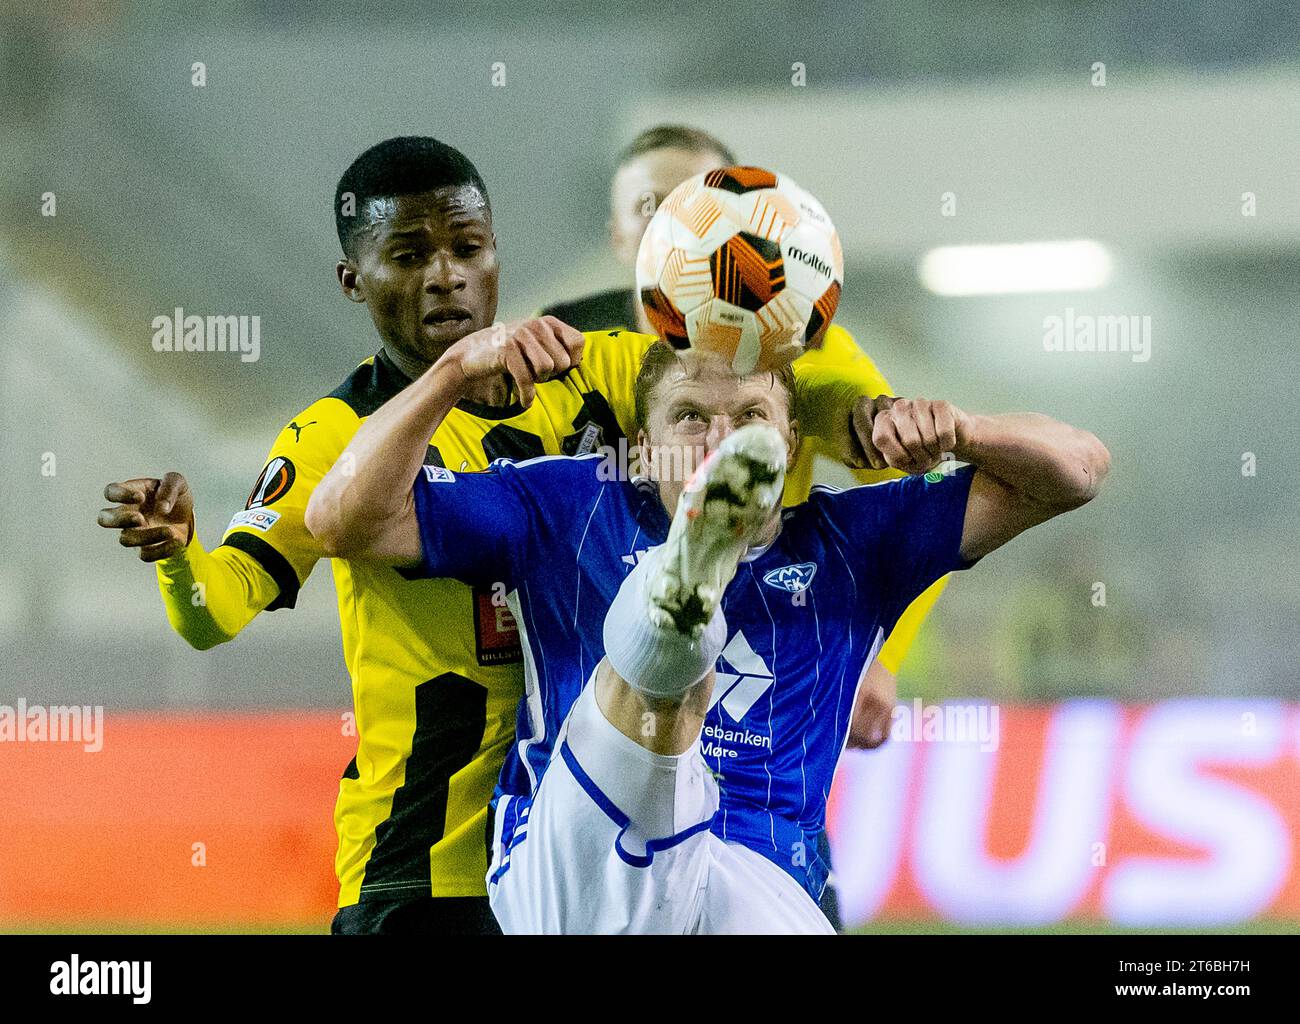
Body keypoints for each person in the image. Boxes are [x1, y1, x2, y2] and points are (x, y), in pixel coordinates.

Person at [95, 137, 895, 933]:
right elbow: (214, 612)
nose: (445, 274)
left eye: (467, 248)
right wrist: (178, 560)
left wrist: (877, 416)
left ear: (495, 257)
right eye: (407, 256)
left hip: (577, 851)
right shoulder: (332, 439)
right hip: (426, 864)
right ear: (354, 281)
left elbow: (768, 378)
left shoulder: (597, 373)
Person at [305, 337, 1111, 933]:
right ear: (643, 442)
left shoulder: (856, 539)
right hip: (580, 863)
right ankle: (684, 586)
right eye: (690, 416)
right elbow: (340, 517)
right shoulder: (561, 506)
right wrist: (449, 375)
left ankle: (683, 587)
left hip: (760, 880)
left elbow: (1078, 470)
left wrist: (963, 431)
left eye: (750, 418)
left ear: (790, 445)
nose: (719, 438)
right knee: (651, 711)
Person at [541, 123, 946, 926]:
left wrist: (881, 660)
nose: (679, 219)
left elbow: (912, 490)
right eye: (652, 205)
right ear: (623, 232)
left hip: (763, 691)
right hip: (600, 691)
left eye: (698, 198)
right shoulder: (567, 340)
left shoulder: (804, 350)